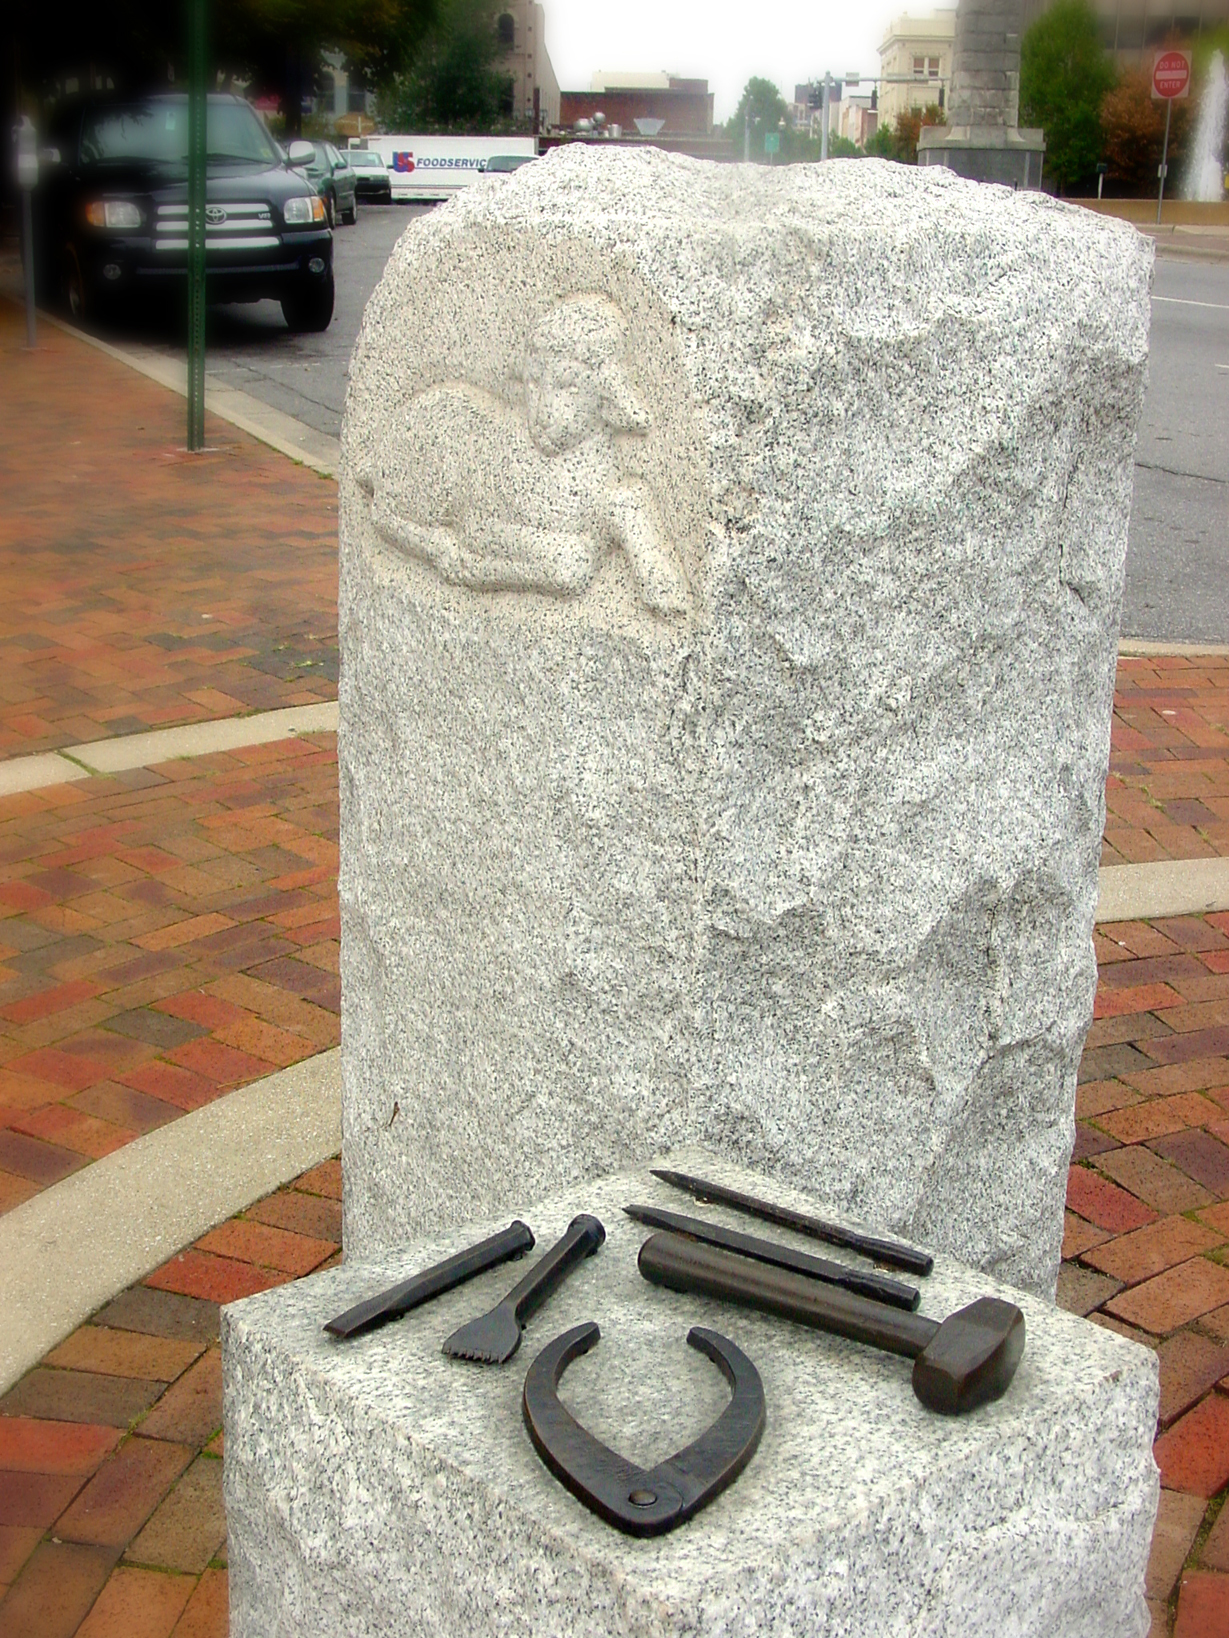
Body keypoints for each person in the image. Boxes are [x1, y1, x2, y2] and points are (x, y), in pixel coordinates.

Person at [361, 294, 688, 616]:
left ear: (604, 393)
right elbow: (477, 529)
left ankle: (655, 576)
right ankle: (401, 523)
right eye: (534, 383)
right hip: (440, 466)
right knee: (441, 446)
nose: (544, 411)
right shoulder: (510, 457)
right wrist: (436, 547)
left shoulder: (602, 475)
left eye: (568, 388)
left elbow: (596, 521)